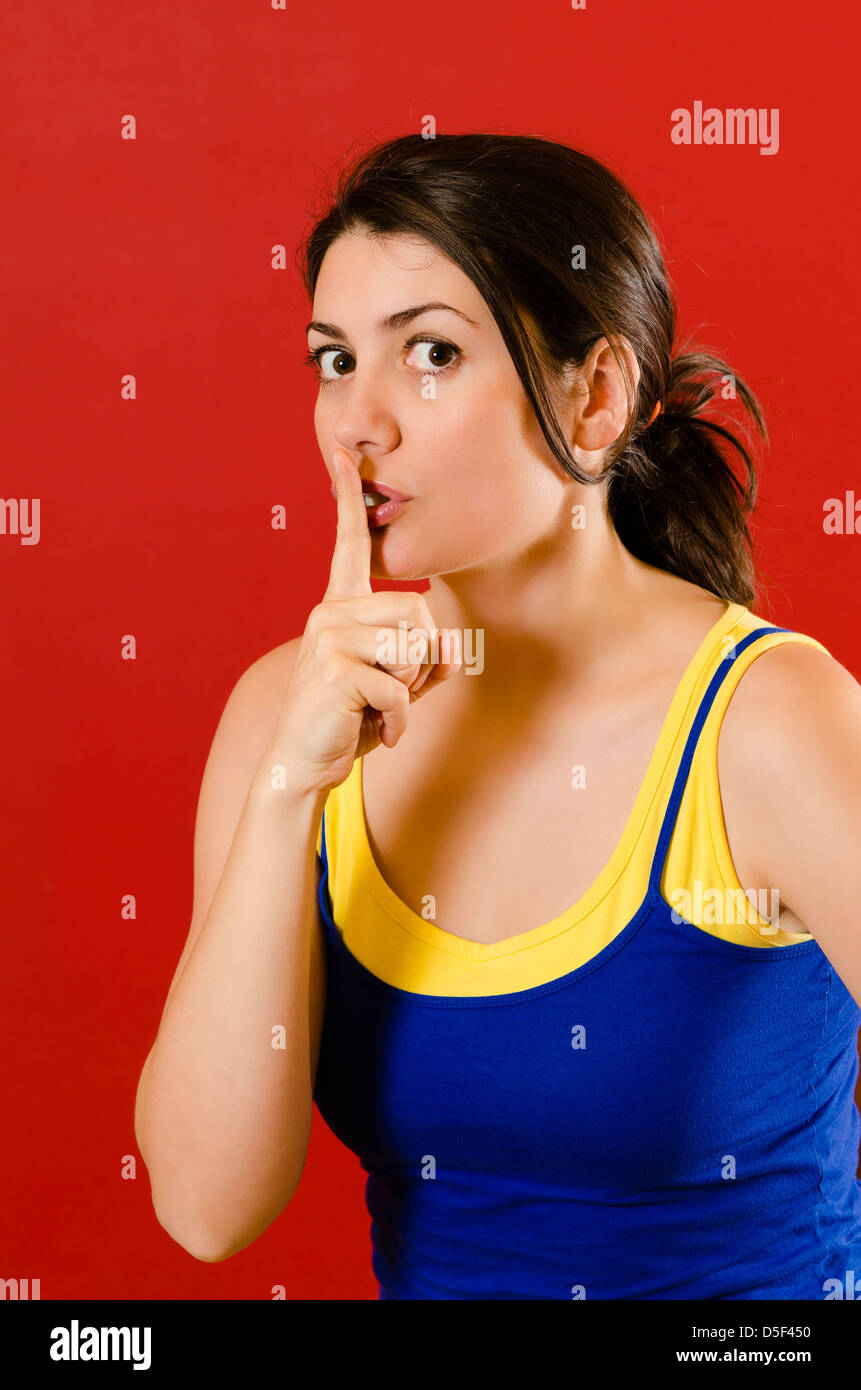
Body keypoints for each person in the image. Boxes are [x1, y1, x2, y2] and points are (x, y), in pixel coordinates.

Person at [134, 133, 861, 1299]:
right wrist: (285, 797)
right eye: (333, 359)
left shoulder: (771, 725)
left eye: (428, 353)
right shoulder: (291, 712)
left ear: (595, 396)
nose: (355, 423)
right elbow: (207, 1208)